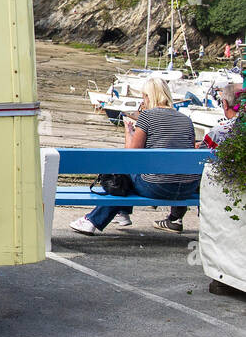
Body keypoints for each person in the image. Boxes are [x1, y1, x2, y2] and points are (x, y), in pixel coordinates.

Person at [71, 77, 198, 235]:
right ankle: (123, 214)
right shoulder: (186, 120)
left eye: (144, 96)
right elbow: (190, 152)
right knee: (144, 173)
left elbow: (132, 157)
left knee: (122, 174)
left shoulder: (147, 117)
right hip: (187, 187)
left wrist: (128, 132)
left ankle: (93, 221)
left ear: (147, 96)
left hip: (157, 187)